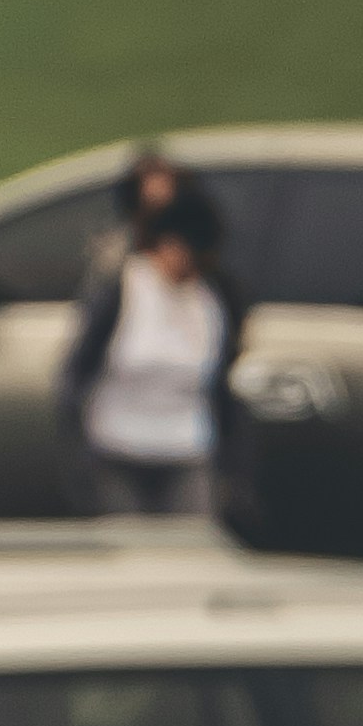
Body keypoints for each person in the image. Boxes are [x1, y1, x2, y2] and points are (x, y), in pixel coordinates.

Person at [64, 173, 243, 526]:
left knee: (190, 544)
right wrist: (75, 448)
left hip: (185, 447)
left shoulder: (211, 300)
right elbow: (77, 369)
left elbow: (222, 382)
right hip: (118, 446)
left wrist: (234, 466)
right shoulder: (123, 288)